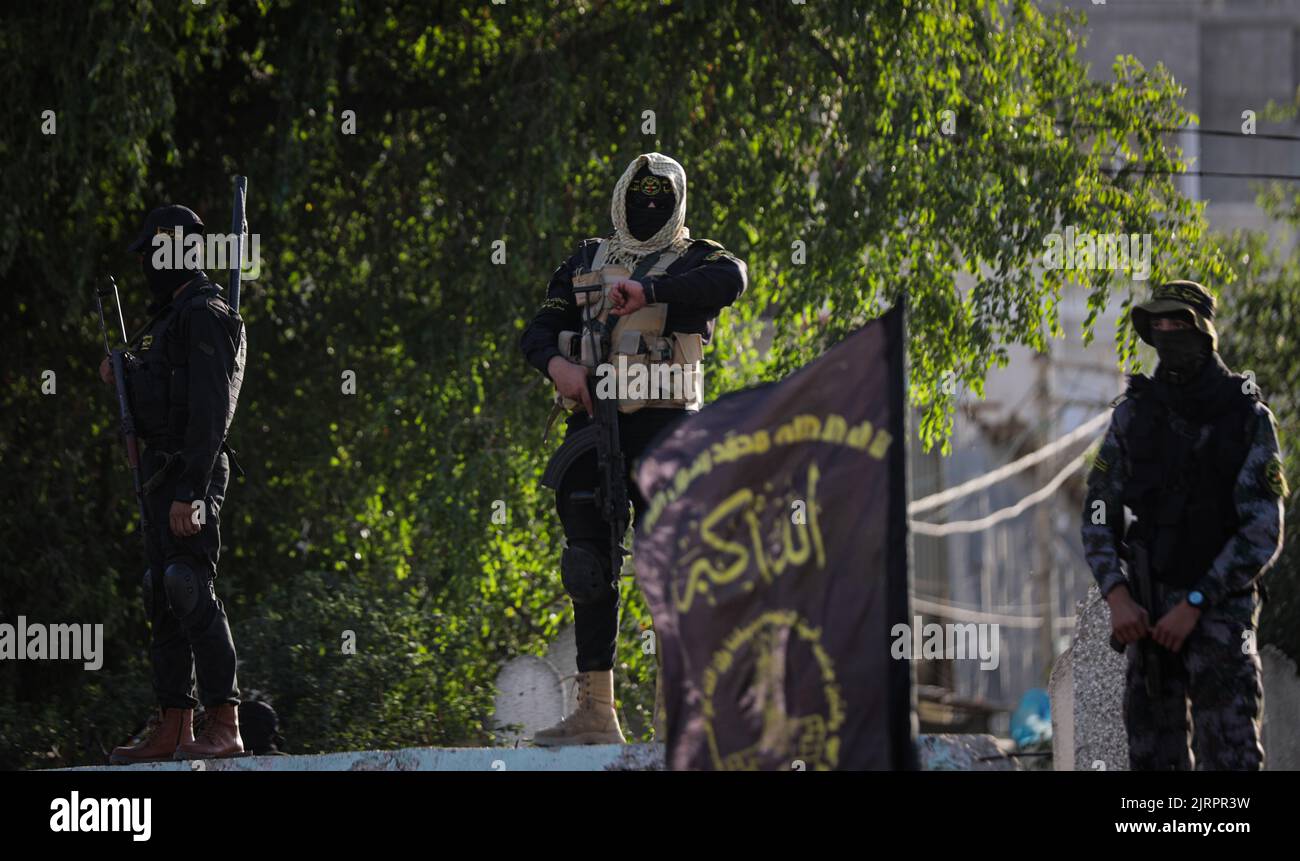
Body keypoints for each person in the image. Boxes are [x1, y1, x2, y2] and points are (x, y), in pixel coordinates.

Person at [519, 153, 747, 745]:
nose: (649, 204)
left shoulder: (700, 259)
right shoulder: (586, 258)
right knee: (588, 567)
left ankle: (686, 713)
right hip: (593, 430)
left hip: (669, 436)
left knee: (672, 569)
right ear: (622, 196)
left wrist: (646, 288)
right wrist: (558, 368)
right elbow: (538, 329)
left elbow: (734, 280)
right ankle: (597, 712)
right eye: (639, 194)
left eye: (660, 195)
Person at [1082, 280, 1287, 770]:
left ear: (1204, 332)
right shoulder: (1134, 416)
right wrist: (1117, 595)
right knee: (1153, 763)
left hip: (1220, 619)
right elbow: (1097, 512)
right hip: (1149, 616)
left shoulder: (1246, 417)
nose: (1167, 333)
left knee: (1231, 761)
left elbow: (1263, 529)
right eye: (1159, 326)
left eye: (1178, 323)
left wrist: (1197, 601)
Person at [102, 204, 248, 763]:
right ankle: (173, 727)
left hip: (195, 471)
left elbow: (211, 411)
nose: (146, 267)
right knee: (160, 592)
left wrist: (192, 489)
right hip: (162, 474)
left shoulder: (206, 313)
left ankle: (224, 722)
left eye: (153, 254)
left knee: (188, 583)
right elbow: (161, 398)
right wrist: (123, 375)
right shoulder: (168, 321)